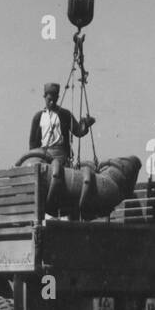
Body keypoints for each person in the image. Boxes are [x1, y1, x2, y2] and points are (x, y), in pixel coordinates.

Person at [29, 82, 96, 213]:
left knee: (62, 185)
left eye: (54, 99)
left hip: (61, 155)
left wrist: (86, 124)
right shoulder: (38, 117)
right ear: (45, 98)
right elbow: (33, 143)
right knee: (44, 187)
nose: (52, 102)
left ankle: (63, 212)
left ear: (58, 97)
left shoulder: (64, 114)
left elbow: (78, 131)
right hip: (44, 156)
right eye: (49, 99)